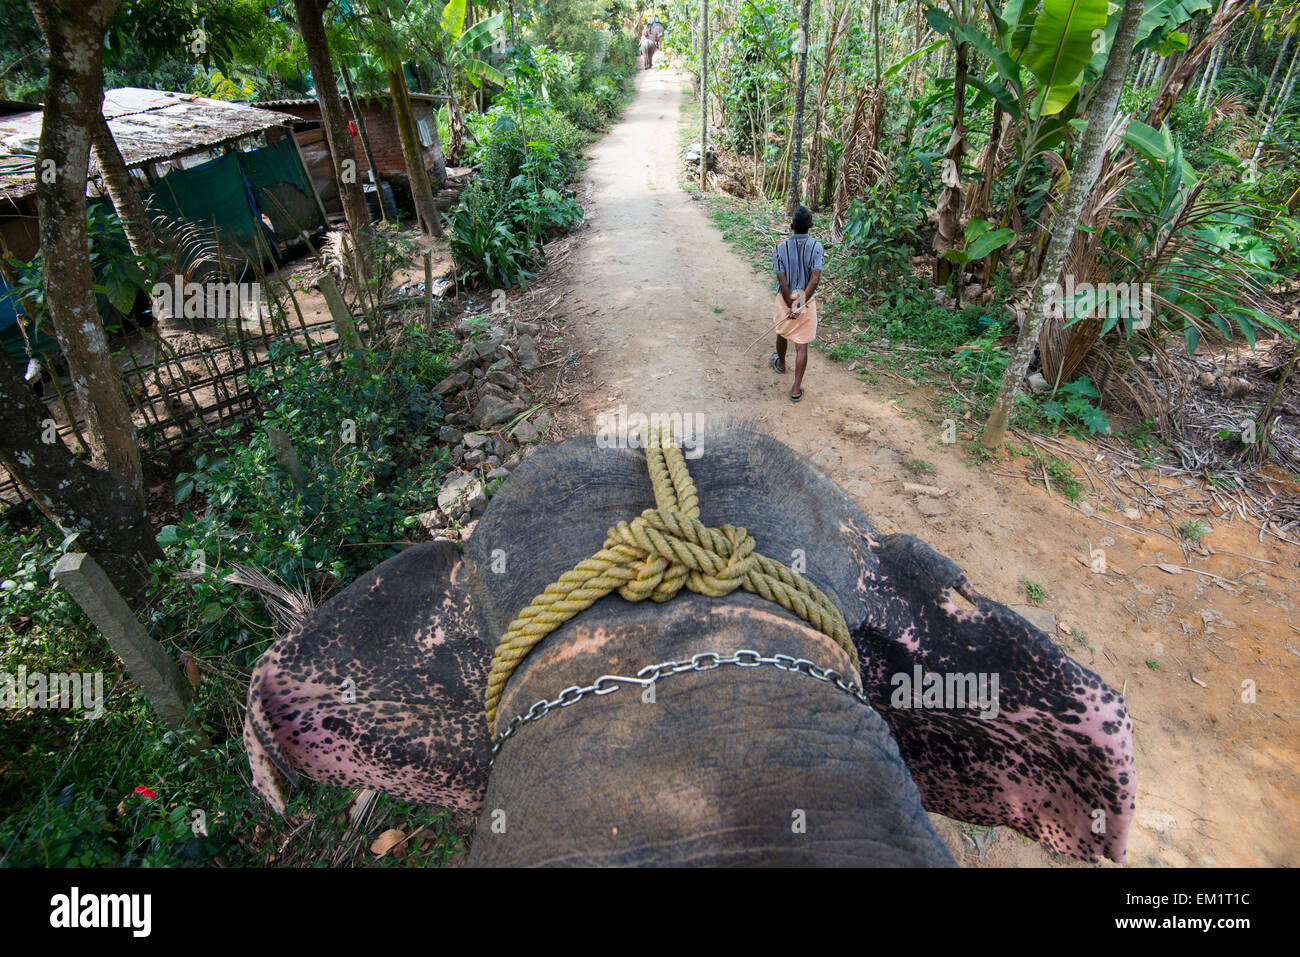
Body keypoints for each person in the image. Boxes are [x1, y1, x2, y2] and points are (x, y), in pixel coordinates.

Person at [770, 205, 824, 402]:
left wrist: (790, 304)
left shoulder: (778, 249)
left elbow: (783, 282)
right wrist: (800, 303)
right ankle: (795, 389)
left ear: (791, 226)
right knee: (801, 345)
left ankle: (781, 363)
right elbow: (815, 279)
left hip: (785, 299)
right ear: (811, 225)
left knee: (782, 334)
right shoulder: (817, 247)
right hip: (806, 301)